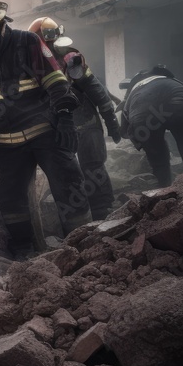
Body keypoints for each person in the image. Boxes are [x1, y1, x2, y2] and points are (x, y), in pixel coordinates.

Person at [0, 0, 89, 254]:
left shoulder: (28, 42)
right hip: (7, 144)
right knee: (9, 197)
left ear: (0, 25)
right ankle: (24, 249)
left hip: (45, 134)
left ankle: (83, 245)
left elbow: (56, 81)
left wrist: (66, 117)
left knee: (69, 185)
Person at [29, 17, 121, 220]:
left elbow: (96, 90)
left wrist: (111, 121)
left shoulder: (70, 58)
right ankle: (78, 216)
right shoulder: (31, 65)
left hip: (85, 121)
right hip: (57, 126)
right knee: (67, 171)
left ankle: (103, 211)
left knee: (92, 166)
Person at [119, 65, 183, 187]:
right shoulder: (171, 80)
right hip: (181, 102)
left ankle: (164, 190)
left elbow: (125, 132)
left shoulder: (133, 92)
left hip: (143, 115)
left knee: (159, 165)